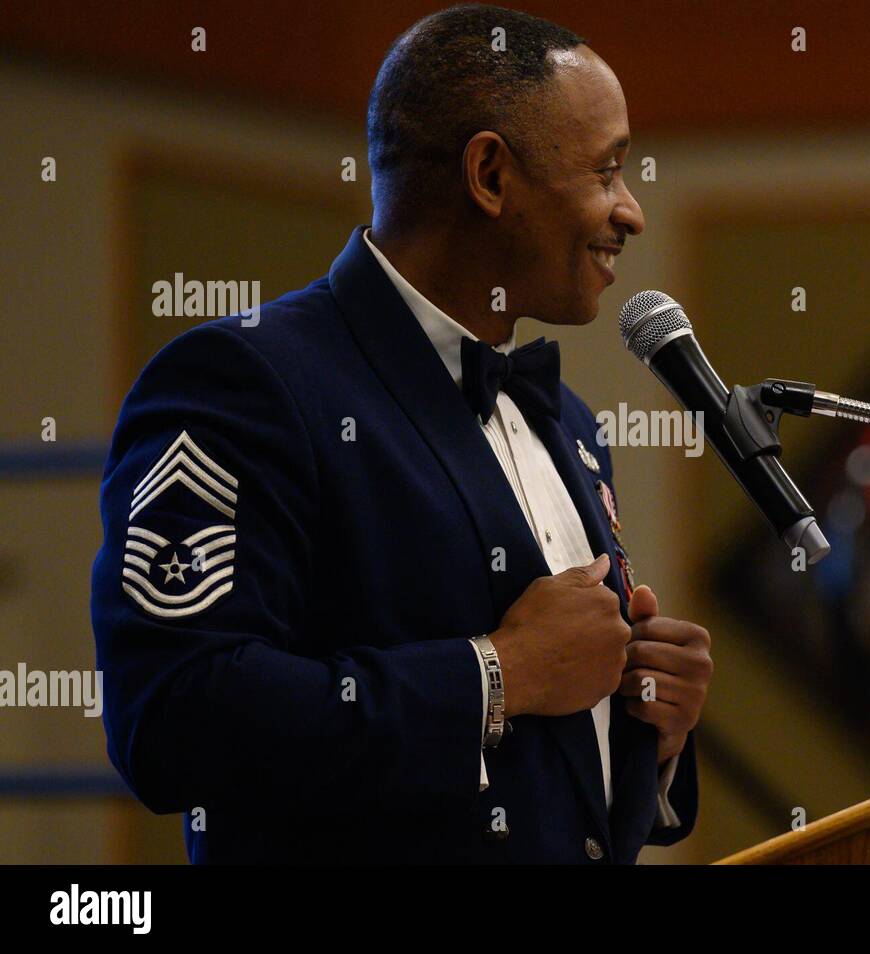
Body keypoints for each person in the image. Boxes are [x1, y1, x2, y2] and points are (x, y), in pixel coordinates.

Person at [90, 3, 711, 864]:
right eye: (607, 171)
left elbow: (554, 792)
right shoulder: (246, 382)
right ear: (490, 175)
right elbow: (172, 714)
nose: (631, 212)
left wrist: (648, 730)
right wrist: (499, 675)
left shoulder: (563, 421)